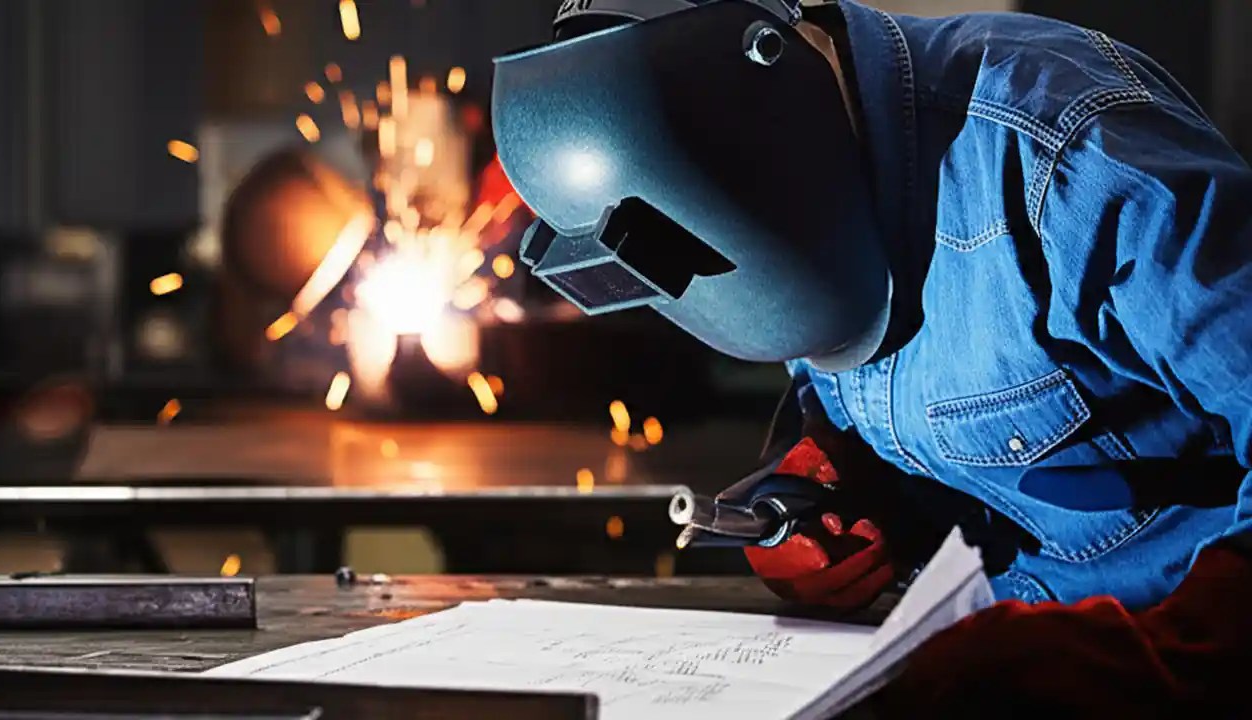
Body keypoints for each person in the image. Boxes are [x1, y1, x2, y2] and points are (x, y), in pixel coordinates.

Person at [491, 0, 1252, 715]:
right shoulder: (780, 166)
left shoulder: (1064, 150)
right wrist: (831, 482)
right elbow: (882, 397)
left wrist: (1175, 655)